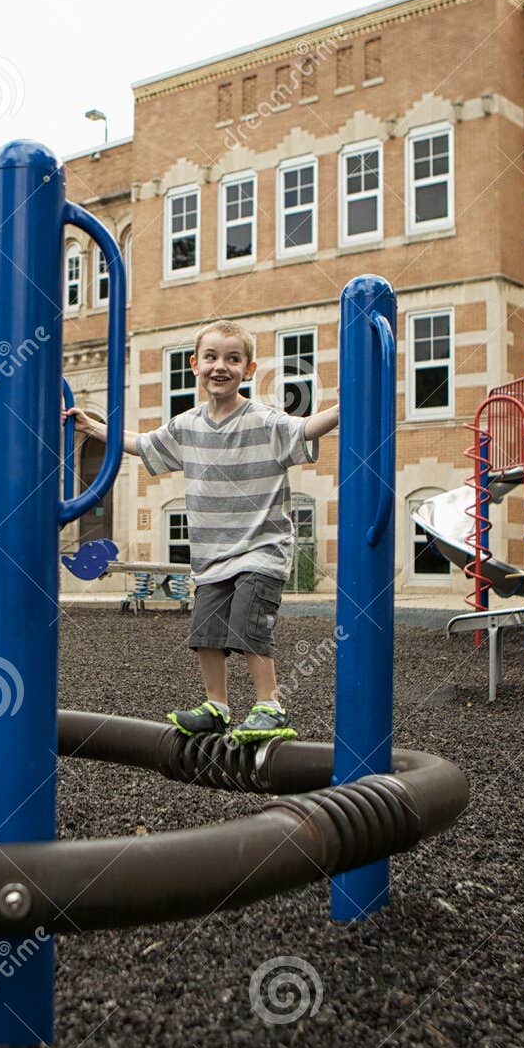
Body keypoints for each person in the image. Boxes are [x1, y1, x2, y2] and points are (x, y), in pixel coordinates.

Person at [67, 319, 338, 744]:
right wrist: (92, 427)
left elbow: (303, 429)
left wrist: (344, 408)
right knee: (206, 632)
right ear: (195, 364)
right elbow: (143, 443)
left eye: (233, 359)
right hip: (212, 555)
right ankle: (218, 707)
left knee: (250, 624)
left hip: (261, 550)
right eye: (211, 357)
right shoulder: (187, 426)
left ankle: (269, 705)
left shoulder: (265, 421)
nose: (220, 366)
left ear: (249, 369)